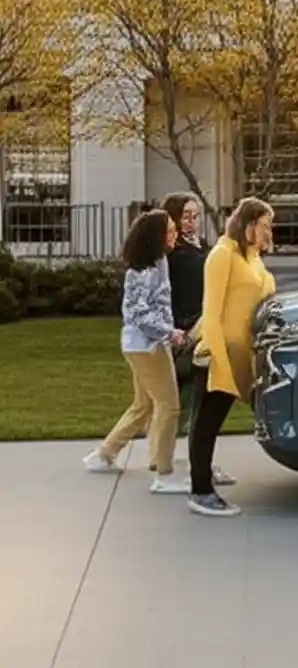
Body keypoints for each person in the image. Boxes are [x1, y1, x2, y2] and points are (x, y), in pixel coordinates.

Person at [82, 209, 189, 494]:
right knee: (169, 406)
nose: (174, 233)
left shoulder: (159, 262)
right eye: (169, 230)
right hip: (147, 347)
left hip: (141, 345)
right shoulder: (143, 272)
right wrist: (170, 332)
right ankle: (164, 476)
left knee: (144, 405)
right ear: (156, 237)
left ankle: (103, 455)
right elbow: (138, 314)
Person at [187, 197, 277, 517]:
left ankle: (203, 475)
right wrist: (219, 360)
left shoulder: (251, 257)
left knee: (212, 421)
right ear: (249, 224)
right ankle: (200, 491)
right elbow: (211, 312)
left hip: (241, 354)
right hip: (218, 353)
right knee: (205, 424)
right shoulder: (222, 254)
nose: (269, 230)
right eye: (265, 225)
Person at [160, 193, 236, 486]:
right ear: (175, 219)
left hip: (206, 327)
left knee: (195, 401)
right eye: (187, 216)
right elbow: (174, 295)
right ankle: (174, 464)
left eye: (196, 216)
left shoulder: (201, 246)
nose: (192, 221)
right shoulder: (173, 254)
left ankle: (196, 462)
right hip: (188, 331)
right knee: (184, 402)